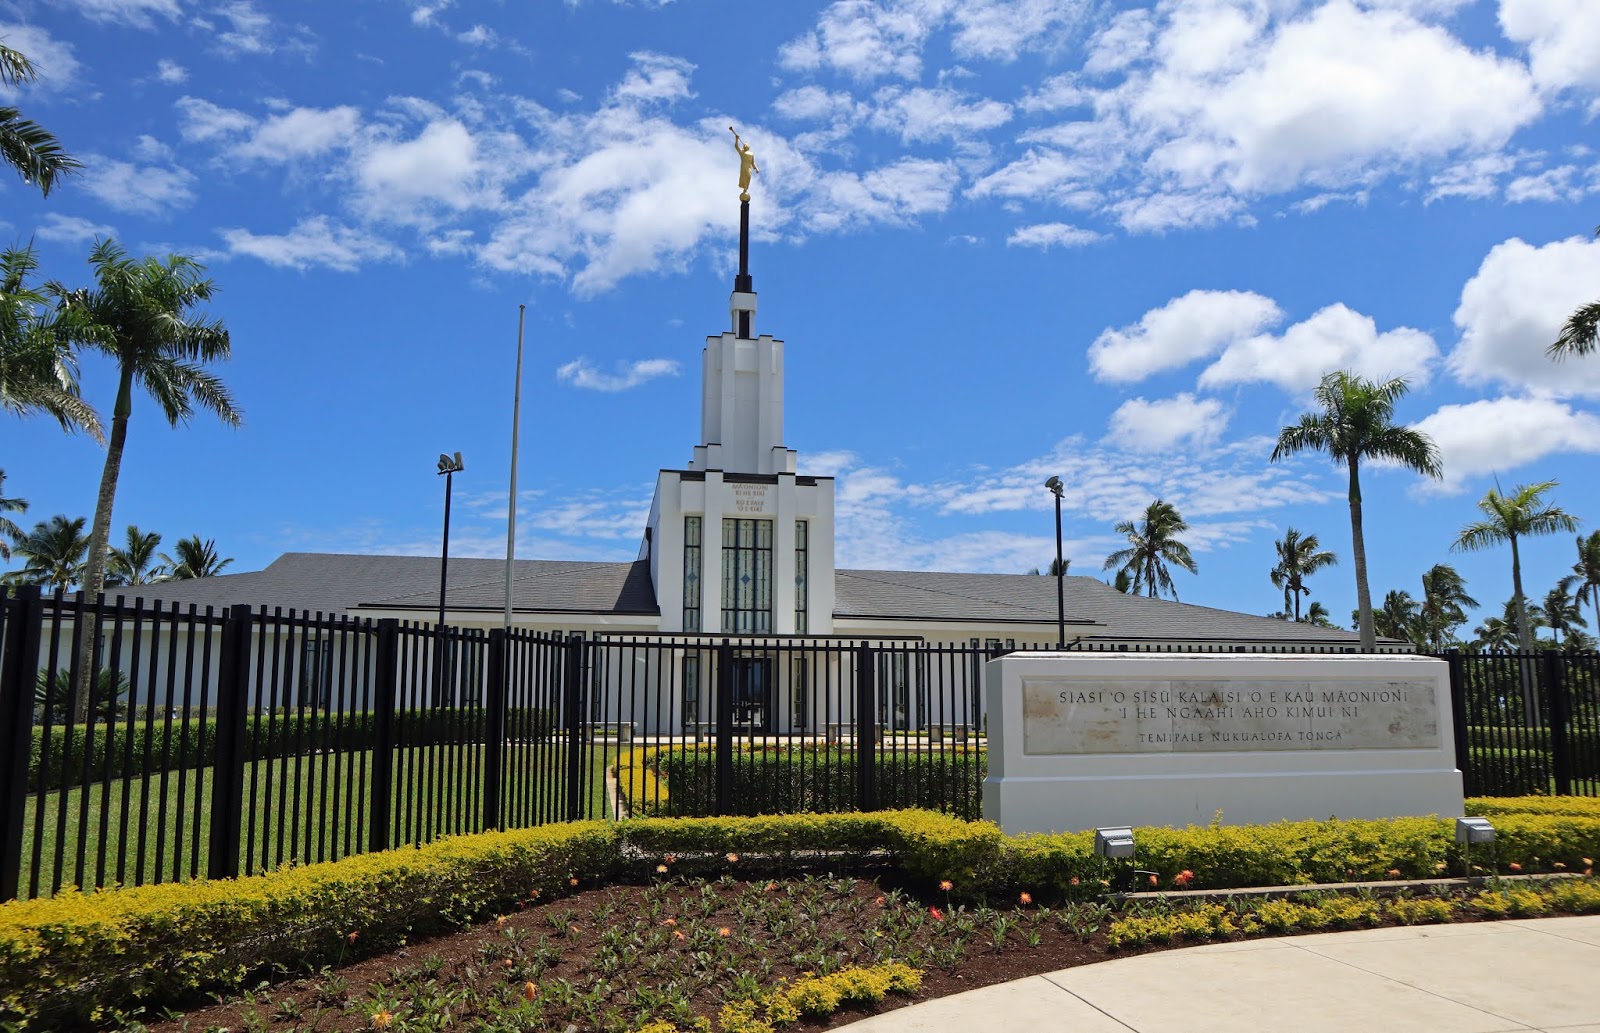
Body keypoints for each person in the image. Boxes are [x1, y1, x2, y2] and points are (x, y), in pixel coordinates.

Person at [730, 126, 759, 199]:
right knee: (744, 177)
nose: (745, 145)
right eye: (744, 144)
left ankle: (746, 189)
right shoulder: (742, 152)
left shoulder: (751, 153)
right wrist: (736, 139)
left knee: (748, 177)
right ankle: (745, 189)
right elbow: (736, 147)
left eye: (746, 144)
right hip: (743, 166)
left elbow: (753, 162)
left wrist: (756, 168)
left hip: (749, 168)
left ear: (748, 147)